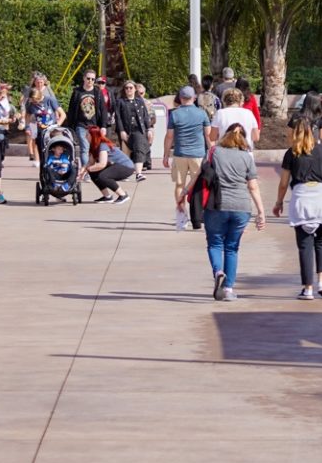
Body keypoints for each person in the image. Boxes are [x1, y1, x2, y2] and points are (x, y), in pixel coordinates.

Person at [180, 123, 265, 301]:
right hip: (241, 207)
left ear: (225, 136)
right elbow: (253, 186)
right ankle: (228, 290)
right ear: (243, 138)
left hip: (216, 205)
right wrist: (261, 211)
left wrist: (184, 192)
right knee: (232, 248)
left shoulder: (214, 152)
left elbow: (198, 175)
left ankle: (218, 271)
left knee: (215, 244)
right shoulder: (246, 157)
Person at [273, 117, 322, 299]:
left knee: (305, 246)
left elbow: (283, 183)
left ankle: (308, 289)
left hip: (302, 200)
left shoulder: (291, 153)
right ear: (313, 132)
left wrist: (279, 202)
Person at [164, 85, 213, 230]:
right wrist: (212, 151)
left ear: (180, 98)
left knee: (180, 185)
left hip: (180, 154)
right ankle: (198, 214)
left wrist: (166, 154)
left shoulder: (175, 114)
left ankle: (182, 214)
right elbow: (208, 135)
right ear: (194, 98)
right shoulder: (202, 114)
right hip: (198, 154)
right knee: (198, 185)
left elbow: (169, 136)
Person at [112, 78, 152, 181]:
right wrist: (121, 131)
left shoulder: (140, 101)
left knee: (139, 148)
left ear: (135, 89)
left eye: (131, 88)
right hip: (126, 130)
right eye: (126, 88)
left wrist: (149, 129)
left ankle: (138, 173)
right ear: (124, 90)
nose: (129, 90)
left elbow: (145, 116)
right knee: (126, 153)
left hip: (138, 130)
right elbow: (118, 117)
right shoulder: (120, 102)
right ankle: (124, 174)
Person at [21, 73, 64, 166]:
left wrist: (57, 122)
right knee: (35, 140)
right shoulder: (30, 93)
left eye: (41, 82)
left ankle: (52, 161)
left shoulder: (48, 92)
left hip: (49, 124)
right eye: (37, 82)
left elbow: (57, 108)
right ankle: (37, 159)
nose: (39, 84)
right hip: (35, 122)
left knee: (51, 144)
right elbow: (25, 107)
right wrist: (27, 126)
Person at [86, 133, 137, 203]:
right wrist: (82, 170)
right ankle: (107, 197)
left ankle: (123, 195)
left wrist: (87, 169)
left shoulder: (102, 145)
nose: (85, 137)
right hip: (115, 165)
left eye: (87, 135)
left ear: (93, 136)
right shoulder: (93, 147)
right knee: (93, 172)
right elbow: (90, 163)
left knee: (103, 176)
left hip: (126, 167)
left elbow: (102, 164)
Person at [67, 69, 110, 141]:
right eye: (88, 78)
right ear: (84, 78)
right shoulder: (77, 92)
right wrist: (70, 126)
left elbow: (103, 110)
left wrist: (103, 126)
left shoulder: (98, 92)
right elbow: (71, 109)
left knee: (94, 148)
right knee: (85, 147)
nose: (90, 80)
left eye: (93, 79)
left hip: (94, 125)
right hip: (81, 125)